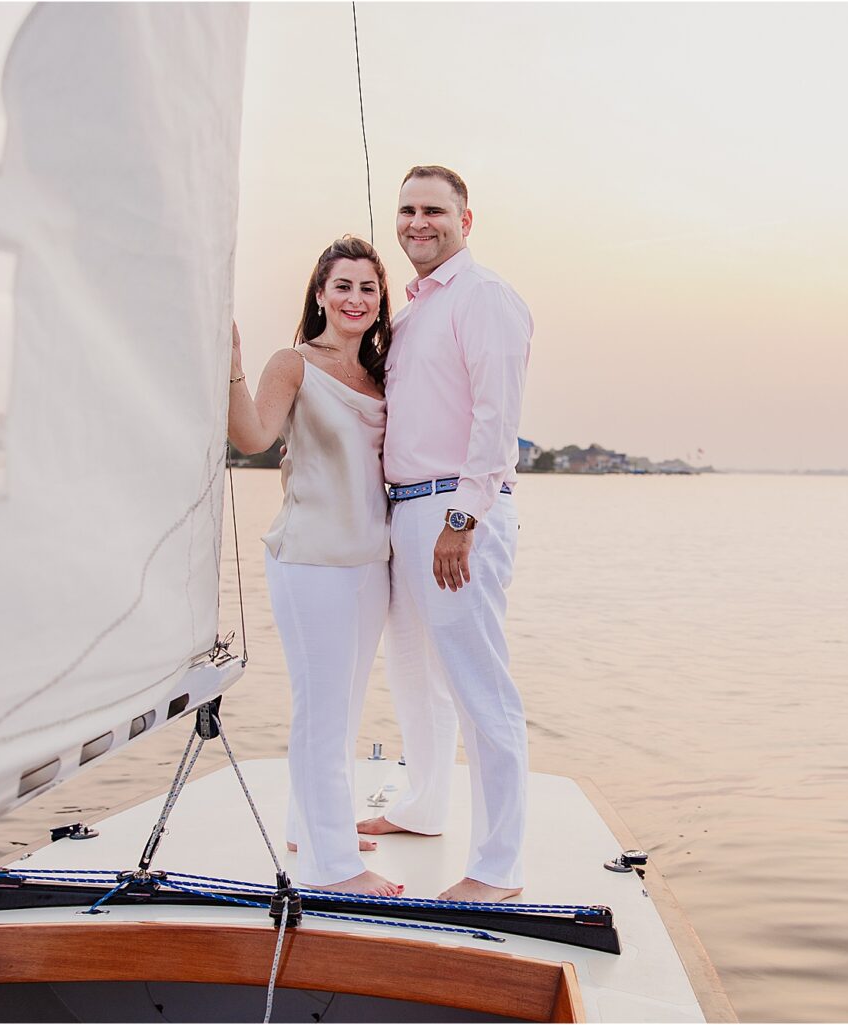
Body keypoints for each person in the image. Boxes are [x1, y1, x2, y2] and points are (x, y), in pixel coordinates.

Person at [357, 166, 533, 902]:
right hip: (404, 510)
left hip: (456, 513)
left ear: (466, 218)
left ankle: (498, 866)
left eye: (434, 210)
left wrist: (464, 518)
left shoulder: (482, 296)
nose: (416, 222)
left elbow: (497, 417)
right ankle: (424, 805)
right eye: (406, 209)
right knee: (415, 677)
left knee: (477, 686)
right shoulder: (415, 309)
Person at [227, 236, 401, 897]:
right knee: (321, 710)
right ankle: (334, 866)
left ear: (379, 299)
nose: (355, 298)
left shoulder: (385, 373)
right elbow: (251, 437)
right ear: (321, 293)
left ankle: (309, 823)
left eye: (368, 287)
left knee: (346, 708)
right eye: (343, 285)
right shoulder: (292, 363)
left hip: (370, 560)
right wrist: (232, 365)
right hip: (309, 561)